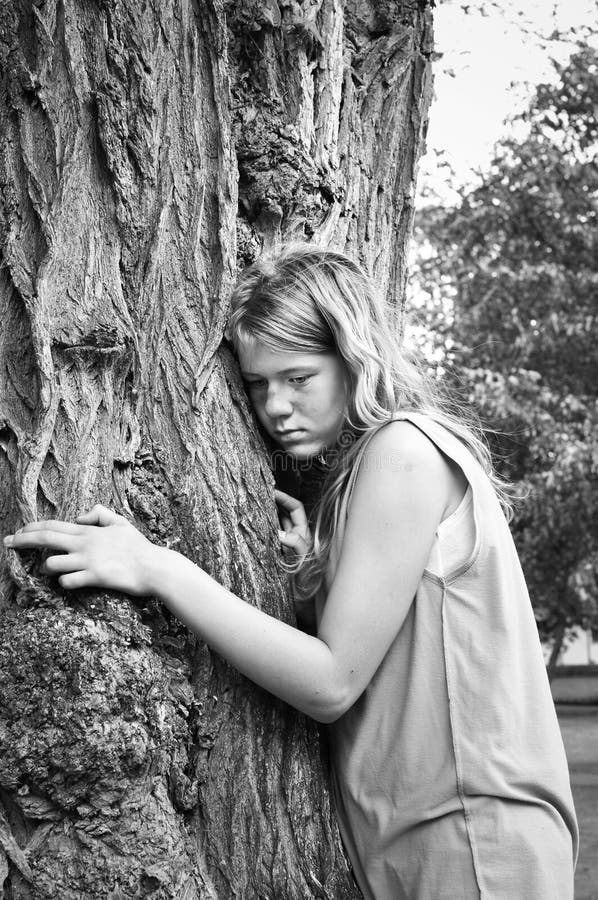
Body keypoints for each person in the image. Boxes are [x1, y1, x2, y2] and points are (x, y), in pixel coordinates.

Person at [3, 244, 578, 899]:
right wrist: (313, 575)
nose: (275, 406)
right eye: (257, 383)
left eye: (298, 377)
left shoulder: (405, 451)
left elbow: (332, 682)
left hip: (472, 842)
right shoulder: (375, 471)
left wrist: (157, 568)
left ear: (354, 359)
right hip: (425, 840)